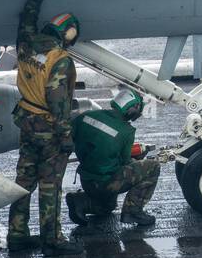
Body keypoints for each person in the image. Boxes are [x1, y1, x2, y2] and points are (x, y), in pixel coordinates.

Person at [7, 0, 83, 256]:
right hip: (49, 128)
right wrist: (65, 135)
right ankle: (52, 239)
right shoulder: (59, 59)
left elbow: (26, 17)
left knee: (24, 179)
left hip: (26, 121)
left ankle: (17, 233)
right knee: (50, 185)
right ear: (68, 34)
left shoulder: (26, 42)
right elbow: (57, 98)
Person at [67, 89, 161, 227]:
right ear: (132, 107)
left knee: (107, 208)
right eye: (138, 107)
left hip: (87, 180)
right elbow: (125, 162)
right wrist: (138, 160)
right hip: (106, 183)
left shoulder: (86, 116)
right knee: (153, 166)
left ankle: (80, 201)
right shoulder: (127, 131)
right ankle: (133, 211)